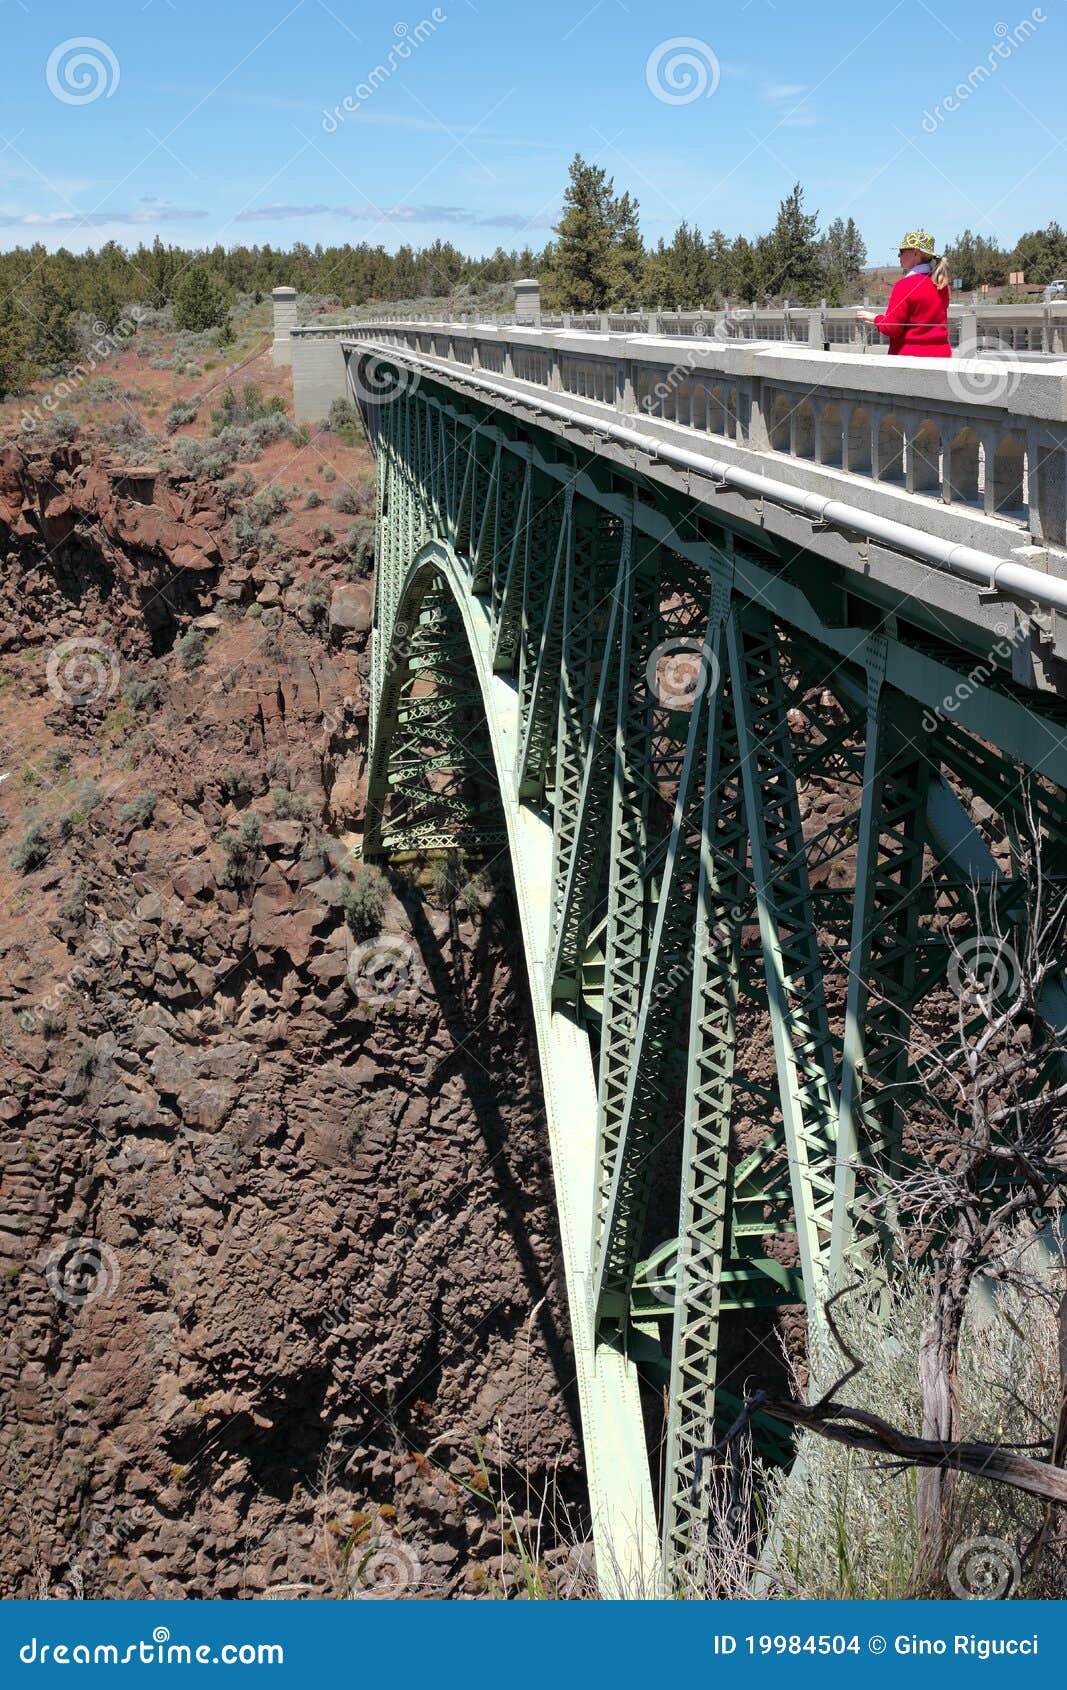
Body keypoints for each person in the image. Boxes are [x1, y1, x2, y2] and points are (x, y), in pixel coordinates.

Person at [857, 231, 951, 357]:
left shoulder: (904, 285)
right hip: (942, 356)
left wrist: (876, 318)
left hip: (910, 359)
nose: (898, 256)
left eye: (902, 251)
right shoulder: (941, 284)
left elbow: (892, 328)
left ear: (916, 253)